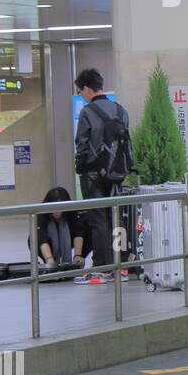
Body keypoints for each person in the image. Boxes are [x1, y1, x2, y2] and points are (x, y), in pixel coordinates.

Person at [72, 68, 132, 285]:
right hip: (117, 173)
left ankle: (101, 267)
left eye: (81, 91)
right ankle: (121, 265)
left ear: (88, 89)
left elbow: (82, 145)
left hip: (93, 175)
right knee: (118, 217)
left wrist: (80, 169)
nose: (82, 95)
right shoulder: (120, 110)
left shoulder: (88, 112)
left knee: (98, 219)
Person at [32, 187, 88, 273]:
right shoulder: (41, 214)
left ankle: (76, 260)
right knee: (33, 238)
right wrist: (49, 259)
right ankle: (51, 259)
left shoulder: (71, 211)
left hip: (68, 239)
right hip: (48, 243)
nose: (57, 212)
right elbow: (41, 238)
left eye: (60, 208)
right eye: (54, 208)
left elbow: (78, 231)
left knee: (88, 230)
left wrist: (78, 255)